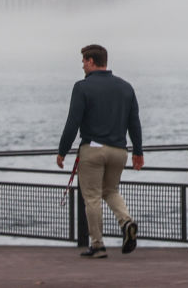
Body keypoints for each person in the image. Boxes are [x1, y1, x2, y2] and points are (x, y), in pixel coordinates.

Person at [57, 44, 144, 258]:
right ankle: (126, 222)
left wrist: (62, 151)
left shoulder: (82, 87)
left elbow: (73, 122)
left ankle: (97, 245)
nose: (83, 67)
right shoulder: (126, 87)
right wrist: (138, 151)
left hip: (93, 150)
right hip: (119, 151)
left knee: (92, 197)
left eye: (84, 62)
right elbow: (134, 123)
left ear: (90, 61)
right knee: (110, 191)